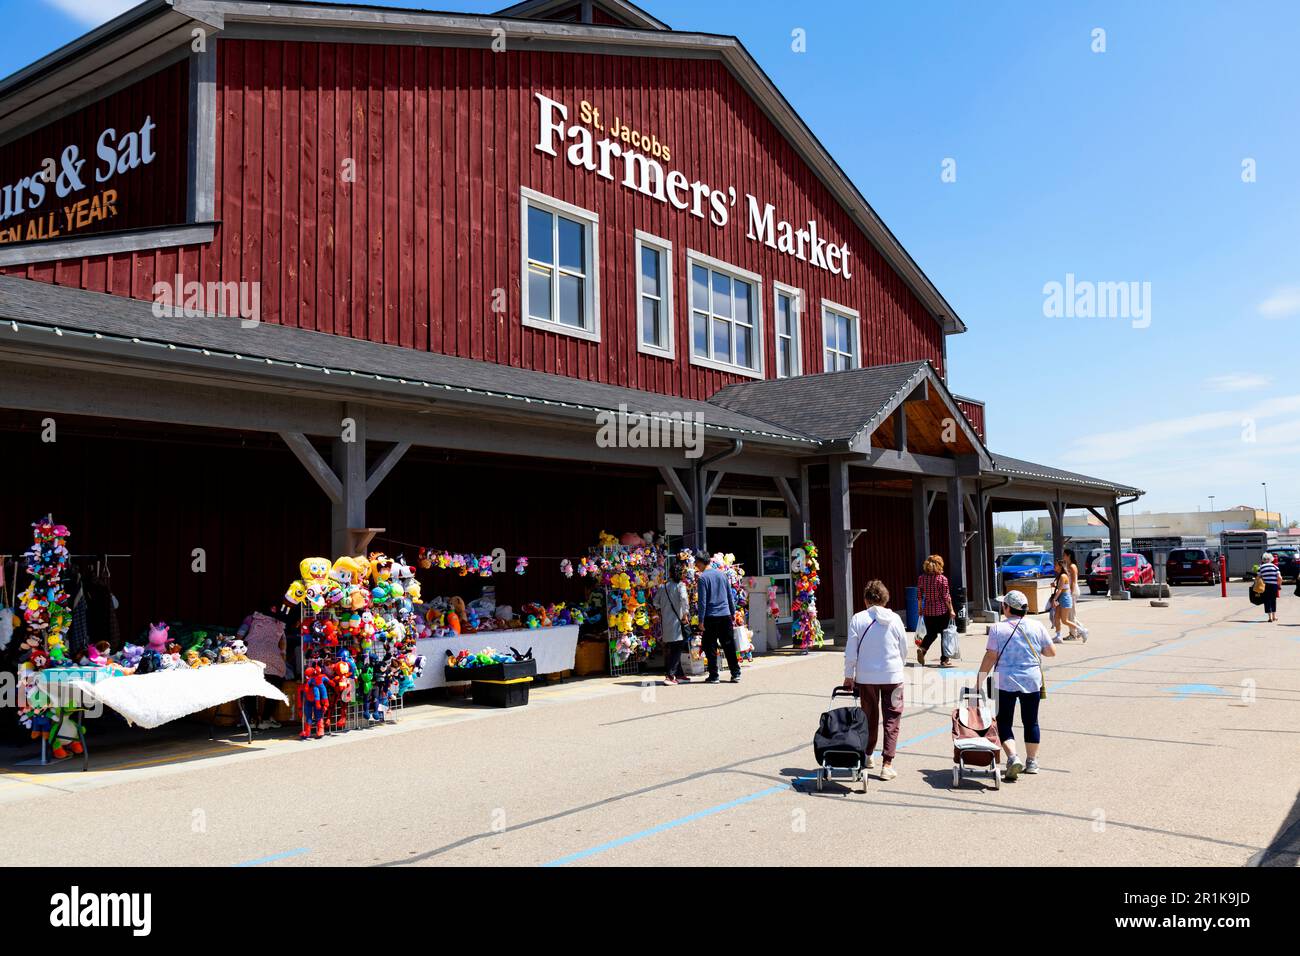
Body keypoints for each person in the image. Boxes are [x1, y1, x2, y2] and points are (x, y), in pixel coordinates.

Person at [977, 591, 1056, 780]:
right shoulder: (1037, 626)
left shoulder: (997, 628)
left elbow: (990, 657)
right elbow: (1051, 652)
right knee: (1031, 721)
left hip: (1005, 680)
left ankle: (1013, 757)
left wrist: (979, 680)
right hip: (1031, 680)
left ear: (1006, 608)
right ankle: (1032, 762)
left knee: (1004, 721)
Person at [842, 579, 909, 781]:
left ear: (866, 600)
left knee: (868, 716)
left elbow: (851, 651)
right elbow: (903, 648)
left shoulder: (858, 619)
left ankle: (868, 754)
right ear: (885, 598)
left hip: (866, 676)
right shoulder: (895, 619)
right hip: (893, 675)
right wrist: (899, 666)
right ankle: (887, 763)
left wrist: (848, 675)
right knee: (892, 718)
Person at [238, 607, 289, 730]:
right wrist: (282, 656)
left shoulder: (251, 618)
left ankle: (252, 719)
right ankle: (266, 719)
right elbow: (283, 643)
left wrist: (239, 654)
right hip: (272, 656)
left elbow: (239, 635)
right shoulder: (279, 622)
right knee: (276, 683)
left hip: (251, 654)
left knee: (250, 685)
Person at [694, 550, 740, 683]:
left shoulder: (703, 578)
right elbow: (730, 596)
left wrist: (701, 620)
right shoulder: (722, 575)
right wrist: (732, 613)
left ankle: (714, 675)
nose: (696, 565)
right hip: (725, 615)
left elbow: (702, 602)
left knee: (710, 646)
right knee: (729, 645)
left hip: (710, 617)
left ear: (702, 562)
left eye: (697, 563)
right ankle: (735, 673)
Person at [654, 564, 692, 685]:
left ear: (669, 573)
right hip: (678, 622)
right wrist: (685, 615)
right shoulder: (681, 586)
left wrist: (664, 610)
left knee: (674, 648)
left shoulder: (662, 587)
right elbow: (684, 600)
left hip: (666, 623)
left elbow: (656, 603)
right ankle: (670, 676)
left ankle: (679, 674)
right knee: (677, 649)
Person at [916, 554, 955, 667]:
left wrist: (920, 609)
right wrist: (951, 610)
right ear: (939, 565)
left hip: (928, 611)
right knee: (945, 635)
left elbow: (919, 596)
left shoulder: (921, 578)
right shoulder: (942, 579)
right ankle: (944, 660)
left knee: (931, 634)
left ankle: (922, 649)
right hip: (941, 611)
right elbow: (946, 597)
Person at [1051, 558, 1087, 642]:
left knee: (1064, 620)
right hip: (1061, 598)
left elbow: (1060, 590)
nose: (1054, 566)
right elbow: (1062, 588)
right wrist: (1054, 586)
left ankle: (1082, 631)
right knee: (1056, 617)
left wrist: (1054, 599)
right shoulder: (1060, 575)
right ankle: (1058, 636)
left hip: (1065, 598)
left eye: (1055, 565)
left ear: (1060, 566)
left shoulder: (1063, 576)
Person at [1063, 548, 1089, 641]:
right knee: (1070, 614)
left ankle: (1073, 634)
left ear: (1068, 555)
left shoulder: (1072, 566)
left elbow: (1073, 581)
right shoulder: (1068, 565)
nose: (1063, 556)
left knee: (1071, 615)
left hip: (1073, 591)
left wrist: (1069, 592)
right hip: (1070, 591)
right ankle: (1081, 629)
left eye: (1064, 555)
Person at [1258, 553, 1281, 623]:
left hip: (1265, 586)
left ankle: (1270, 617)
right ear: (1271, 559)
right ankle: (1274, 616)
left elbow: (1258, 577)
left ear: (1263, 560)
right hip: (1274, 586)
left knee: (1267, 600)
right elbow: (1279, 577)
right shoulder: (1275, 567)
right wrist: (1279, 585)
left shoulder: (1261, 567)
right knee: (1273, 600)